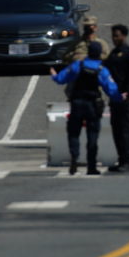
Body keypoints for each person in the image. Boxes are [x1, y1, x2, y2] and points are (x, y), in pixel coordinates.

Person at [50, 42, 122, 175]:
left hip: (77, 103)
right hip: (92, 105)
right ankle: (91, 166)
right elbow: (110, 89)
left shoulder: (78, 65)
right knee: (92, 135)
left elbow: (62, 78)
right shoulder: (101, 70)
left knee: (73, 132)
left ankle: (74, 157)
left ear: (88, 52)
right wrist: (120, 97)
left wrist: (54, 75)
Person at [103, 24, 129, 173]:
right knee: (116, 130)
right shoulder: (112, 55)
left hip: (126, 100)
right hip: (115, 99)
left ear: (124, 36)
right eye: (113, 35)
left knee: (126, 131)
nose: (114, 38)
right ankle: (122, 159)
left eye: (117, 35)